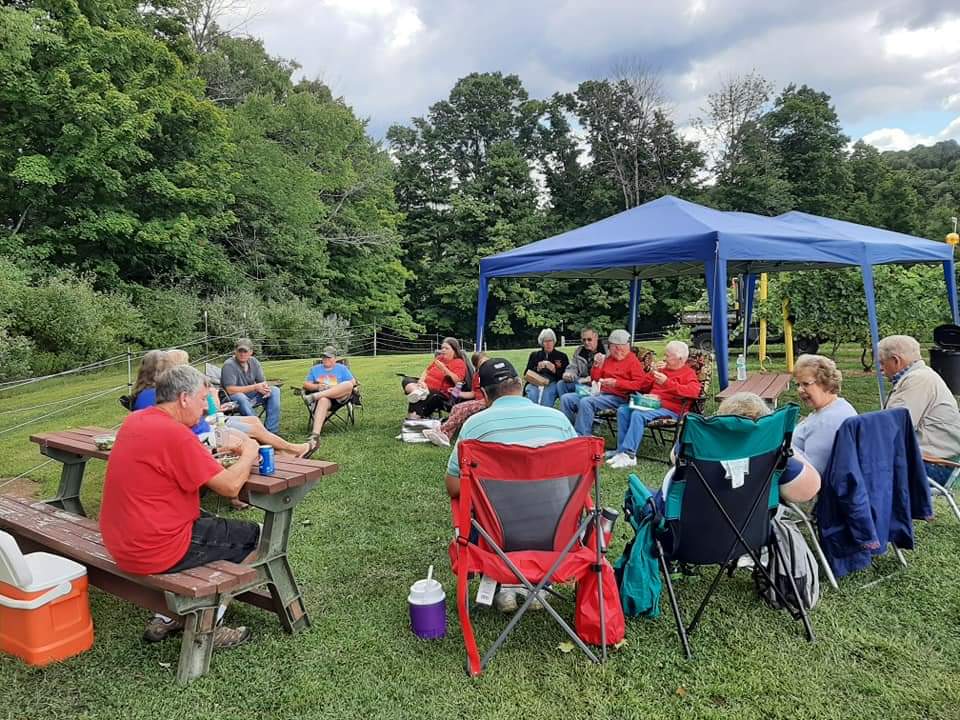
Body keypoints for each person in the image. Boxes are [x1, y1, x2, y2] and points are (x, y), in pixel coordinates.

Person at [100, 364, 261, 647]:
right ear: (184, 398)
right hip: (155, 548)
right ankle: (210, 624)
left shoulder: (136, 422)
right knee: (258, 535)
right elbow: (230, 487)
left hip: (119, 540)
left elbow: (172, 462)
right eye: (202, 400)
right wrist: (249, 452)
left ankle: (165, 617)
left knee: (211, 523)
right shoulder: (175, 434)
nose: (205, 408)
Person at [443, 357, 576, 613]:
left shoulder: (476, 425)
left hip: (498, 534)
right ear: (520, 385)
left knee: (473, 501)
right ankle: (537, 583)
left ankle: (505, 584)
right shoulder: (558, 419)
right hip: (558, 531)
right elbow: (576, 480)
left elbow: (453, 486)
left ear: (483, 395)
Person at [132, 349, 311, 459]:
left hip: (200, 428)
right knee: (248, 434)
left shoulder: (143, 395)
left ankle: (284, 451)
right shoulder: (161, 393)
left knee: (254, 422)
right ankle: (290, 450)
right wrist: (212, 396)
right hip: (203, 431)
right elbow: (203, 414)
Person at [658, 392, 821, 504]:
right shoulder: (770, 450)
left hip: (692, 533)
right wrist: (786, 445)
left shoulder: (697, 443)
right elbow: (808, 490)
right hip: (750, 534)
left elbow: (674, 457)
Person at [607, 340, 701, 469]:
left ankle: (629, 455)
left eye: (667, 355)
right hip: (651, 405)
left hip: (671, 410)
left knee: (638, 415)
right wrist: (651, 373)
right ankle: (621, 451)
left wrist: (667, 382)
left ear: (679, 358)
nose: (664, 358)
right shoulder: (663, 369)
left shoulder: (688, 373)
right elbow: (642, 386)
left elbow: (693, 392)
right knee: (623, 410)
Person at [879, 334, 960, 484]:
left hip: (932, 467)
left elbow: (892, 427)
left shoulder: (918, 380)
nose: (880, 369)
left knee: (856, 475)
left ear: (896, 360)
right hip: (931, 462)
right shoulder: (922, 376)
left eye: (882, 363)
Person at [560, 329, 647, 436]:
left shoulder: (632, 361)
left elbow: (640, 385)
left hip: (619, 397)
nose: (614, 350)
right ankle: (568, 431)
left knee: (586, 402)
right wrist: (596, 366)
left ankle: (582, 436)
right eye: (612, 347)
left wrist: (616, 383)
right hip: (600, 393)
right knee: (566, 398)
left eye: (617, 347)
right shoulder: (608, 359)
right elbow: (595, 380)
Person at [791, 354, 857, 475]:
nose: (800, 390)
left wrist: (784, 448)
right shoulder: (838, 405)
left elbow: (812, 473)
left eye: (805, 384)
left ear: (826, 383)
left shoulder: (828, 422)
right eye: (798, 385)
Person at [423, 352, 490, 447]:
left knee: (464, 409)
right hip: (477, 401)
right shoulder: (476, 376)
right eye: (481, 364)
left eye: (486, 362)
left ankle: (441, 431)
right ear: (476, 366)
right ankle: (446, 437)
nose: (485, 366)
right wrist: (457, 392)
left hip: (488, 401)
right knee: (456, 408)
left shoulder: (492, 374)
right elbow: (473, 393)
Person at [221, 338, 282, 433]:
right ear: (235, 351)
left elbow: (262, 382)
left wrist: (266, 389)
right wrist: (255, 387)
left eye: (245, 351)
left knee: (274, 391)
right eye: (239, 351)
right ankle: (259, 431)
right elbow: (230, 390)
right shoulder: (229, 365)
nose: (242, 354)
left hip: (250, 396)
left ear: (251, 352)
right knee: (240, 397)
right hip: (230, 399)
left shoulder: (254, 362)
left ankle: (271, 431)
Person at [401, 337, 469, 419]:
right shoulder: (439, 358)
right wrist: (421, 381)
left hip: (440, 392)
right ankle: (418, 392)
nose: (443, 350)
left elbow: (458, 381)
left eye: (446, 348)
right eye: (442, 348)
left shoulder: (459, 363)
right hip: (424, 386)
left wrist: (444, 369)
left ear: (454, 350)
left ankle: (413, 417)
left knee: (421, 397)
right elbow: (427, 370)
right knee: (407, 380)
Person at [303, 346, 357, 439]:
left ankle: (314, 396)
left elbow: (353, 382)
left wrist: (335, 388)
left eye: (329, 357)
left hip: (339, 398)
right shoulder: (315, 369)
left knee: (348, 384)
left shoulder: (342, 368)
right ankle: (315, 435)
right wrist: (317, 386)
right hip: (324, 399)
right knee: (323, 400)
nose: (326, 359)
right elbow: (306, 385)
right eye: (324, 357)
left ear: (335, 358)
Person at [523, 328, 568, 407]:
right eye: (545, 341)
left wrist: (554, 370)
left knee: (548, 394)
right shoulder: (535, 355)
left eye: (550, 341)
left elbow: (565, 376)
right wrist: (537, 369)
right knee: (533, 393)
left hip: (552, 382)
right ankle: (533, 414)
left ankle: (544, 415)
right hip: (535, 382)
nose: (548, 344)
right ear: (542, 343)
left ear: (554, 342)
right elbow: (526, 373)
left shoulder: (561, 356)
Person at [557, 327, 605, 396]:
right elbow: (573, 367)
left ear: (596, 337)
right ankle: (567, 404)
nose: (586, 342)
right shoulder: (579, 351)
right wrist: (569, 374)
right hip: (582, 382)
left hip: (599, 384)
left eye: (589, 339)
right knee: (561, 384)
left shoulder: (606, 350)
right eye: (584, 340)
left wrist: (591, 379)